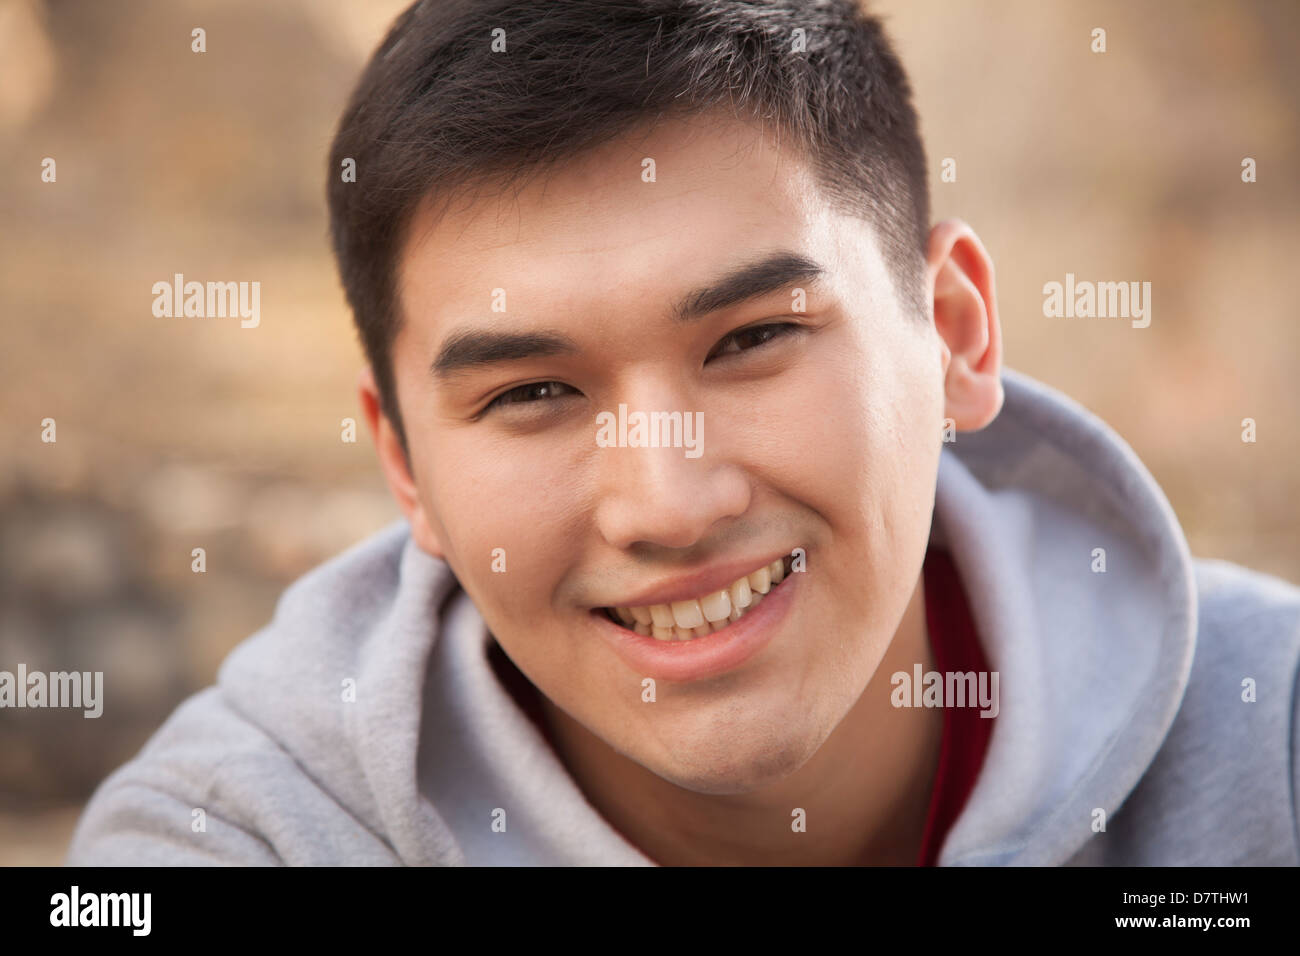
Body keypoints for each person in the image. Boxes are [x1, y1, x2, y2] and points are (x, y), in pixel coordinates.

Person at [67, 0, 1299, 866]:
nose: (665, 503)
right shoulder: (237, 838)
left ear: (956, 334)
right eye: (531, 394)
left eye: (752, 338)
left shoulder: (1268, 743)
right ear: (406, 467)